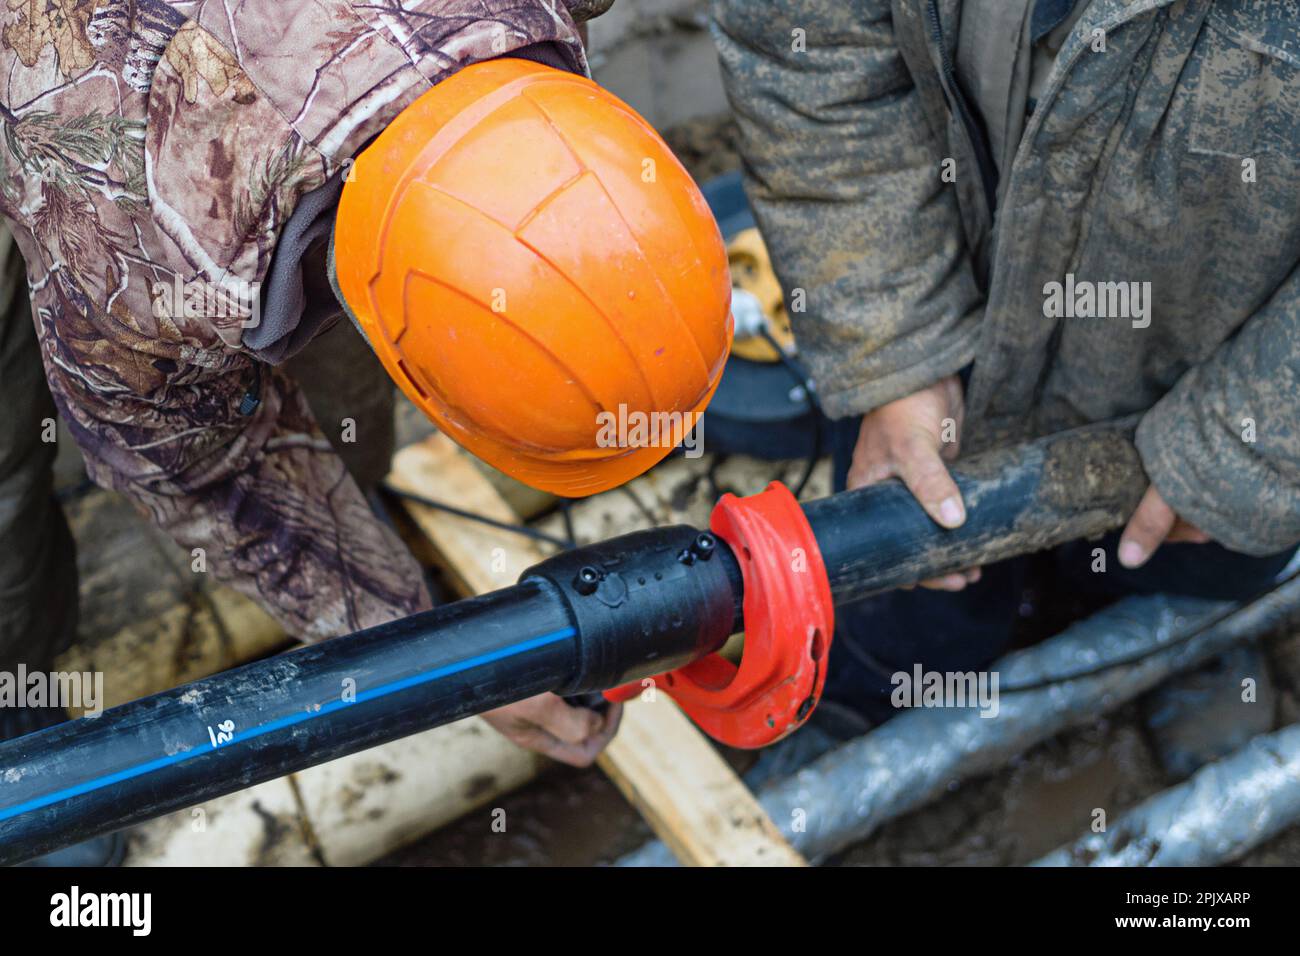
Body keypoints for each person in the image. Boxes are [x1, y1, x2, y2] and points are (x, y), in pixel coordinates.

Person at [0, 0, 732, 865]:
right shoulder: (127, 248)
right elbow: (205, 470)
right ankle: (27, 738)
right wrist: (437, 659)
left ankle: (354, 499)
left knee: (336, 379)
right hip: (68, 88)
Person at [711, 0, 1300, 726]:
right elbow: (806, 43)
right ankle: (862, 707)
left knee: (1172, 572)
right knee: (902, 627)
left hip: (1208, 412)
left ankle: (1147, 665)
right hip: (936, 378)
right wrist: (895, 348)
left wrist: (1253, 444)